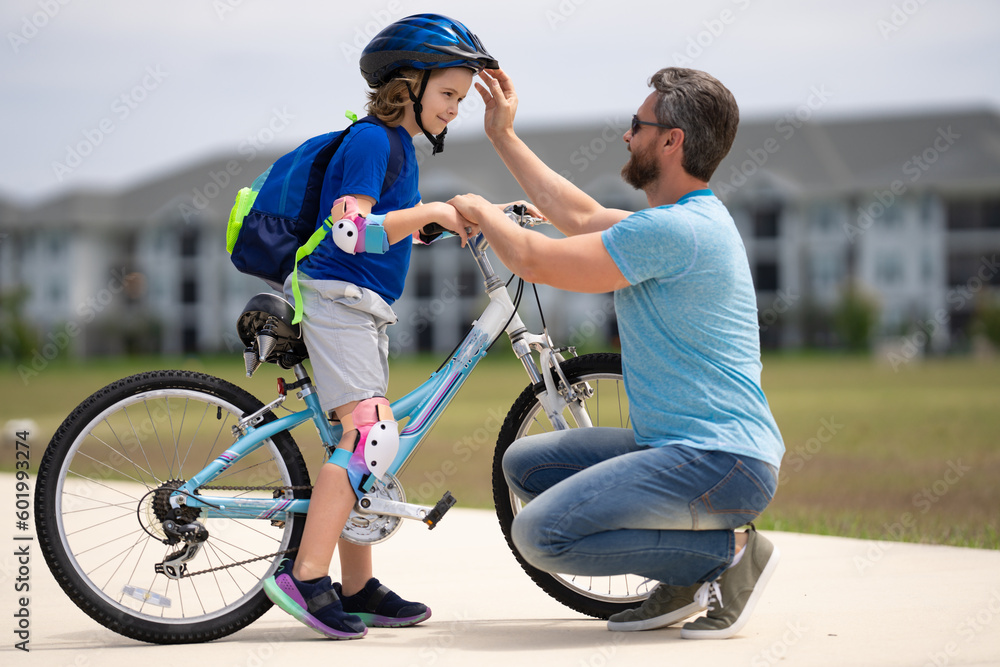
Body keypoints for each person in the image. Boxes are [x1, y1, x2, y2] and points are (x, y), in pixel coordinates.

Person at [448, 66, 785, 639]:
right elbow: (575, 216)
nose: (627, 137)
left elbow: (534, 261)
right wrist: (503, 135)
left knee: (539, 535)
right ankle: (684, 575)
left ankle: (724, 558)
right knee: (527, 465)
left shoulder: (675, 232)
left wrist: (479, 210)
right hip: (692, 449)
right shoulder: (681, 223)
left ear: (671, 140)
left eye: (638, 125)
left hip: (719, 460)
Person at [261, 14, 498, 640]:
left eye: (461, 99)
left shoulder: (399, 147)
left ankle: (358, 587)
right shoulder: (373, 140)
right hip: (336, 295)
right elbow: (349, 229)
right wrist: (428, 210)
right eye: (448, 94)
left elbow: (391, 228)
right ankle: (306, 578)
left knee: (370, 442)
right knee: (370, 434)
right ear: (406, 86)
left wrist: (464, 217)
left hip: (362, 302)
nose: (454, 109)